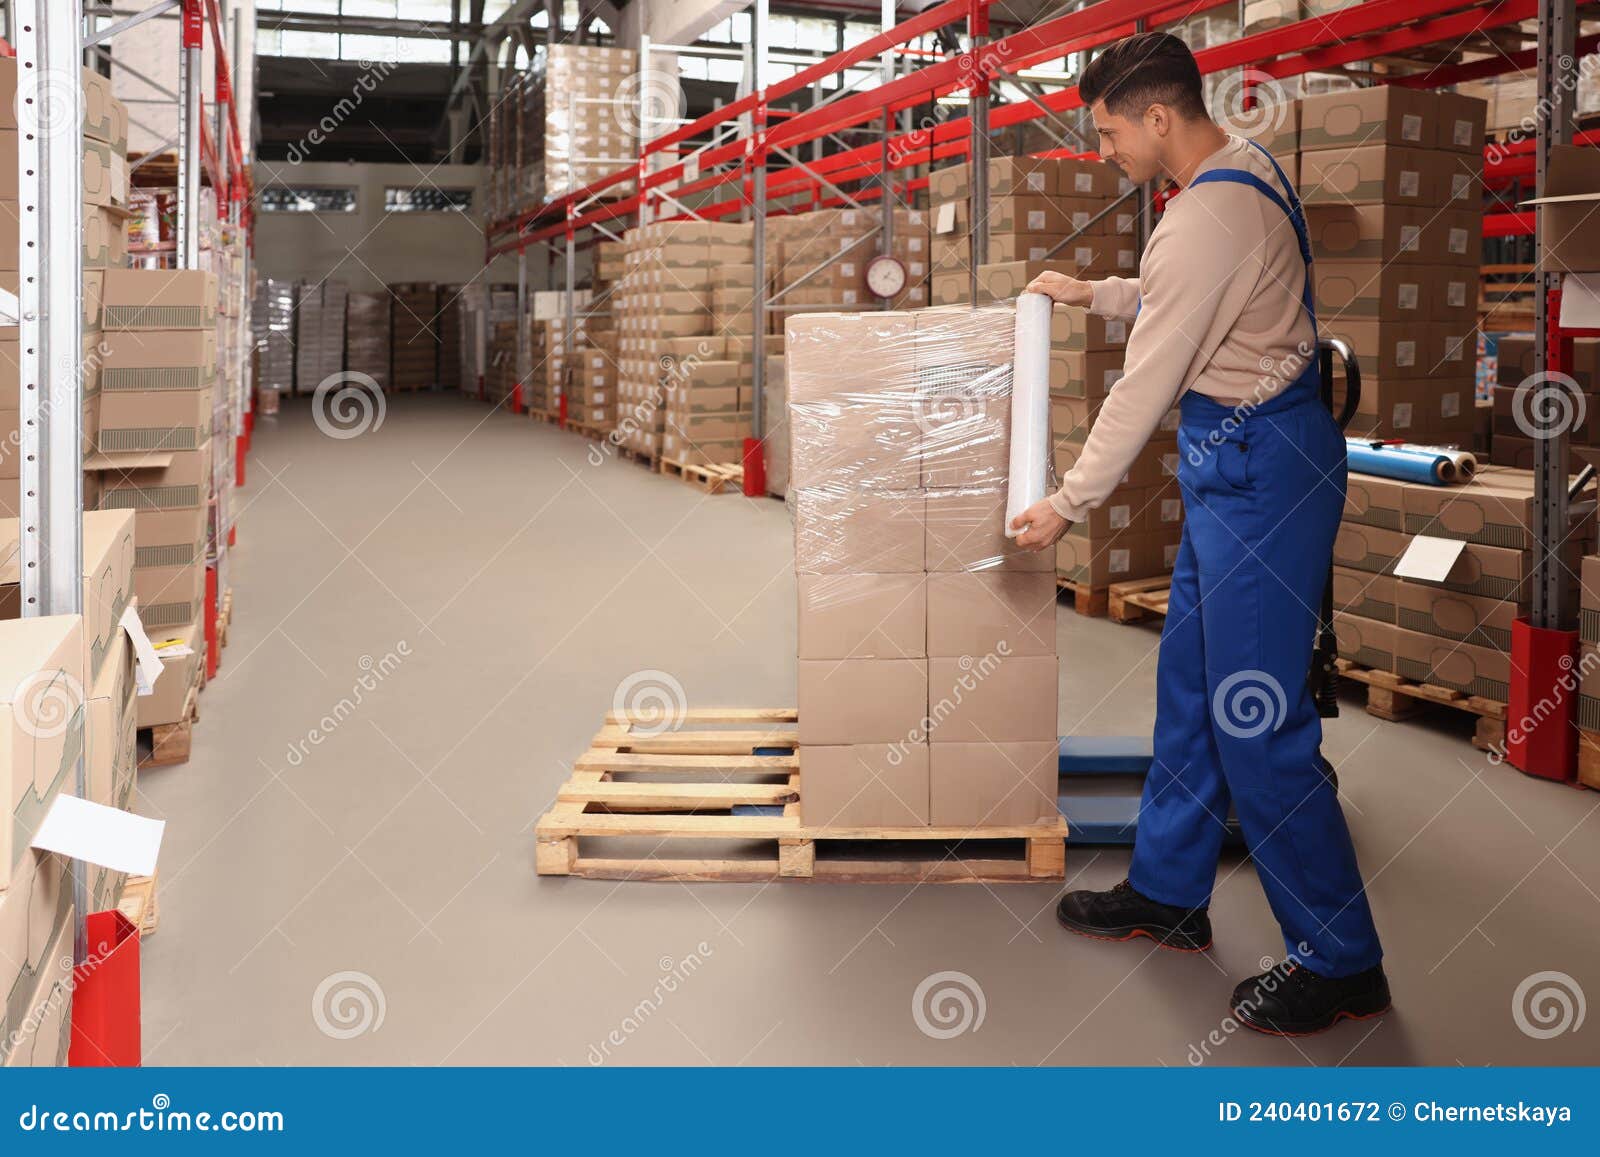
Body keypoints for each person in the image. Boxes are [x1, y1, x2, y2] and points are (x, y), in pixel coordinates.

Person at [1011, 32, 1390, 1036]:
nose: (1104, 153)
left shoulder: (1201, 218)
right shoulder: (1237, 170)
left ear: (1157, 117)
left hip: (1263, 472)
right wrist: (1090, 293)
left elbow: (1147, 380)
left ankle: (1341, 958)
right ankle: (1170, 891)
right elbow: (1188, 300)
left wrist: (1067, 500)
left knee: (1254, 716)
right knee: (1189, 684)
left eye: (1107, 134)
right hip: (1239, 460)